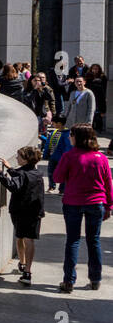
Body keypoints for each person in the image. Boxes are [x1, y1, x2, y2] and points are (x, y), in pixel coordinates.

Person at [49, 124, 111, 291]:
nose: (69, 137)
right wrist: (109, 206)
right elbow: (108, 184)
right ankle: (95, 279)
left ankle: (69, 281)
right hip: (96, 203)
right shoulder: (101, 158)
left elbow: (58, 177)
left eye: (71, 135)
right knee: (94, 241)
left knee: (73, 241)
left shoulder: (69, 156)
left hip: (73, 203)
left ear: (77, 137)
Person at [0, 145, 45, 286]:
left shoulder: (21, 174)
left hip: (20, 211)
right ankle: (27, 271)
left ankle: (22, 263)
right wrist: (10, 169)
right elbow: (22, 177)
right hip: (35, 212)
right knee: (30, 240)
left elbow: (14, 186)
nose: (16, 157)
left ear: (25, 158)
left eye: (19, 156)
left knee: (19, 237)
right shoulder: (38, 173)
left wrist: (0, 174)